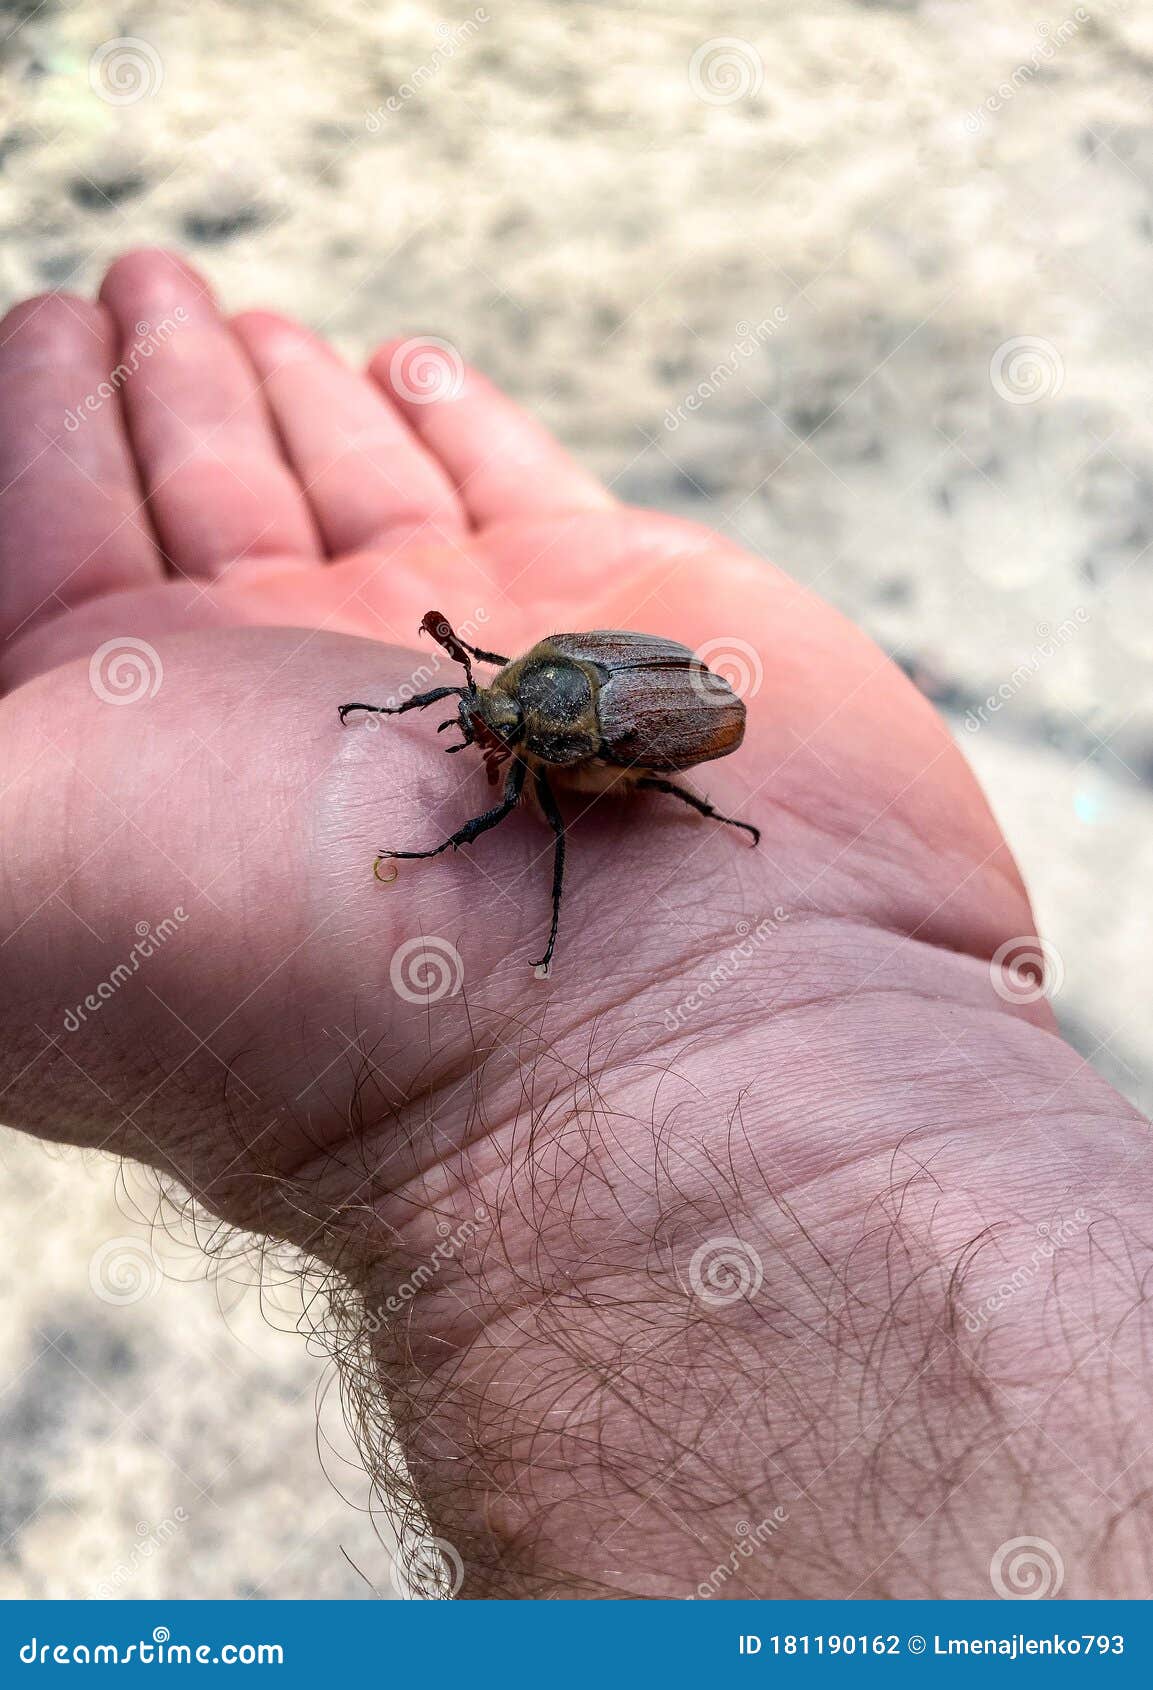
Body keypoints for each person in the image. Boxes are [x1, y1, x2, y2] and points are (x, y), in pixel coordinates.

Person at [0, 250, 1147, 1601]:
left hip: (646, 713)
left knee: (536, 834)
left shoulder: (566, 743)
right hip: (589, 681)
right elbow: (485, 693)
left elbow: (555, 777)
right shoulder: (514, 687)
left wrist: (481, 910)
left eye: (484, 721)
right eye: (469, 716)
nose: (473, 735)